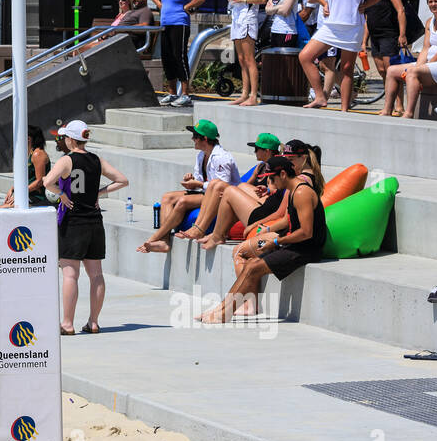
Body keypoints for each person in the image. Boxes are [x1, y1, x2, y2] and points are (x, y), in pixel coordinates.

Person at [198, 155, 326, 324]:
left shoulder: (302, 192)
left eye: (271, 178)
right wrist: (266, 230)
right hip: (295, 244)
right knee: (251, 264)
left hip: (307, 249)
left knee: (254, 267)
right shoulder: (292, 190)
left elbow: (306, 232)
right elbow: (288, 221)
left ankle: (224, 312)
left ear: (282, 174)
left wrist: (275, 242)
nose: (270, 183)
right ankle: (222, 308)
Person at [43, 121, 128, 336]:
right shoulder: (96, 159)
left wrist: (62, 194)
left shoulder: (66, 160)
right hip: (94, 221)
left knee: (70, 274)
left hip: (73, 221)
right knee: (96, 275)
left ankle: (68, 323)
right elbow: (122, 180)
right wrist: (98, 193)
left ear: (70, 139)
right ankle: (93, 321)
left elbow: (47, 183)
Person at [137, 119, 239, 254]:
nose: (192, 139)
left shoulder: (221, 157)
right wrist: (192, 180)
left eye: (196, 136)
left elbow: (222, 186)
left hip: (219, 197)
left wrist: (199, 184)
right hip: (206, 193)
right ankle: (165, 241)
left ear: (205, 139)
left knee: (182, 202)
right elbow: (201, 183)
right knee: (167, 197)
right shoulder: (201, 155)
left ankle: (154, 238)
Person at [299, 0, 381, 112]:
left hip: (353, 27)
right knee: (305, 56)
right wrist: (324, 3)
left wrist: (366, 5)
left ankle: (344, 109)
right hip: (330, 27)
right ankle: (320, 96)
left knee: (346, 68)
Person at [180, 131, 281, 246]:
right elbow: (242, 186)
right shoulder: (261, 166)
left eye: (256, 149)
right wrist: (233, 195)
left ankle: (203, 230)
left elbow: (275, 195)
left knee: (219, 187)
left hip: (264, 207)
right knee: (215, 184)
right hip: (257, 201)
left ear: (267, 151)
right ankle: (199, 227)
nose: (254, 152)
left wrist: (231, 193)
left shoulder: (275, 168)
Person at [380, 0, 437, 118]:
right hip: (434, 64)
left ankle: (409, 113)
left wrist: (422, 68)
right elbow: (425, 48)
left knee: (413, 72)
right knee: (391, 70)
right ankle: (386, 110)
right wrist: (419, 66)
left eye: (436, 1)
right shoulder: (430, 21)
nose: (433, 4)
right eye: (430, 1)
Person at [0, 126, 51, 259]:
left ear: (28, 138)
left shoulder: (38, 154)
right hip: (27, 195)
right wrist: (13, 188)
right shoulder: (28, 153)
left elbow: (39, 182)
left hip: (37, 198)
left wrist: (19, 192)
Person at [150, 0, 205, 106]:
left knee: (179, 56)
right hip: (165, 23)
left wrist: (187, 6)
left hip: (180, 23)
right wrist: (159, 5)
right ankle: (172, 93)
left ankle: (186, 94)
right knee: (167, 58)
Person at [225, 0, 265, 106]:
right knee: (241, 59)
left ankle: (253, 95)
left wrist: (243, 0)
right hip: (237, 20)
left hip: (247, 20)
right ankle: (244, 93)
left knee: (249, 59)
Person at [361, 0, 408, 85]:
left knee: (391, 70)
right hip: (374, 37)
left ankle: (398, 104)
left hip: (389, 35)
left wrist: (402, 34)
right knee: (382, 70)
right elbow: (367, 19)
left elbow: (400, 11)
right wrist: (364, 41)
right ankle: (389, 100)